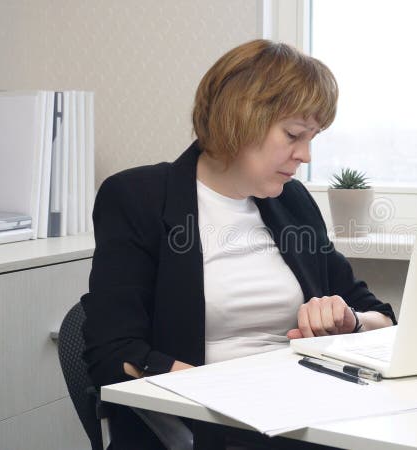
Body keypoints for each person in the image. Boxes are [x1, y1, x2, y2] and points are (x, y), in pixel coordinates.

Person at [81, 39, 396, 450]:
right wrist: (233, 396)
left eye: (312, 137)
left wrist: (349, 320)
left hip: (303, 412)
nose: (305, 155)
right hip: (204, 425)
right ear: (239, 118)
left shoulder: (292, 201)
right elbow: (113, 352)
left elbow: (381, 318)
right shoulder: (136, 197)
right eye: (293, 135)